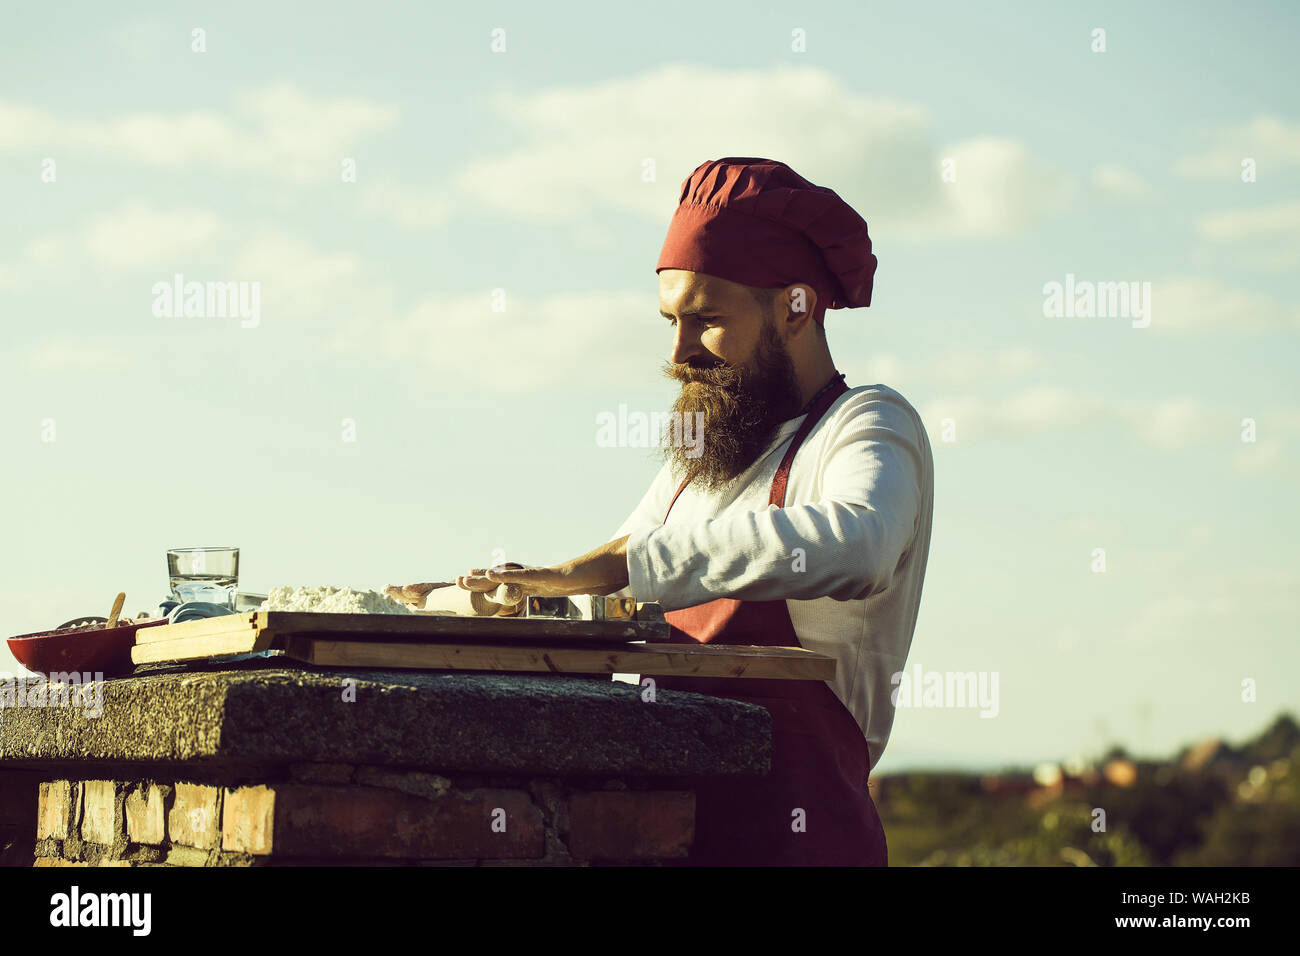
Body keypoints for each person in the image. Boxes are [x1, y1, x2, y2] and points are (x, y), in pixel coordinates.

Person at [458, 157, 934, 865]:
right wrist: (499, 599)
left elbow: (859, 543)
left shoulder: (867, 424)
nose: (677, 352)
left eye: (706, 320)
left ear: (797, 308)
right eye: (670, 321)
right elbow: (604, 589)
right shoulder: (700, 463)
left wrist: (626, 561)